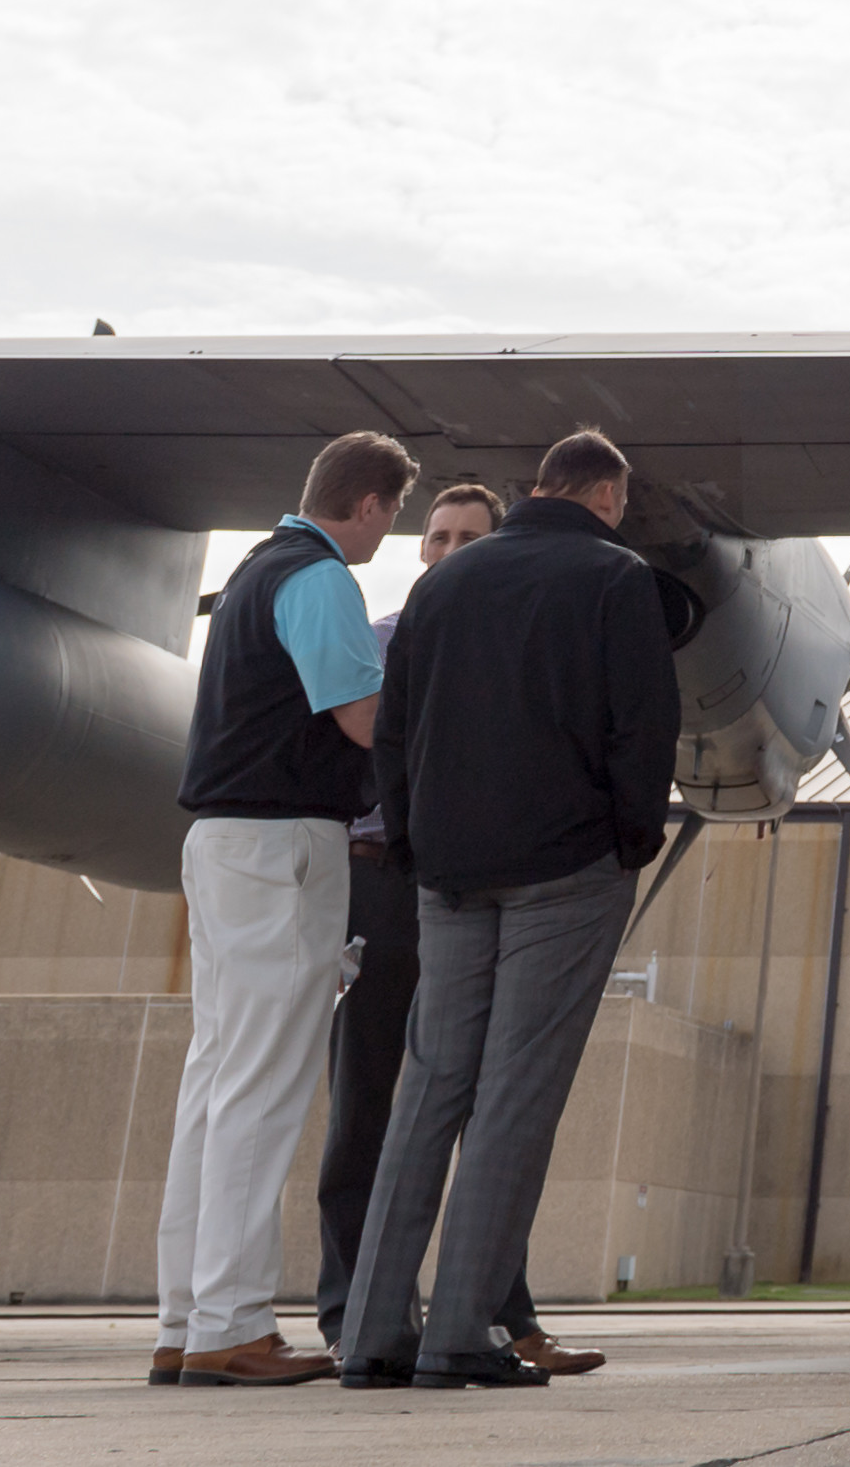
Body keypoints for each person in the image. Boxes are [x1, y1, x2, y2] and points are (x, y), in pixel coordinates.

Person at [334, 429, 677, 1391]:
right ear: (608, 493)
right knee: (515, 1097)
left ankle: (369, 1333)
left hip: (444, 874)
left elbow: (393, 731)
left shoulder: (442, 586)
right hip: (564, 872)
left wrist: (410, 840)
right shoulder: (617, 581)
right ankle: (458, 1333)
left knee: (429, 1088)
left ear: (536, 489)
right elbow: (643, 730)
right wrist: (629, 840)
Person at [148, 427, 411, 1389]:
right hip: (285, 840)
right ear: (373, 505)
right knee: (265, 1083)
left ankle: (185, 1318)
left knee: (215, 1083)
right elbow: (364, 716)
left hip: (220, 841)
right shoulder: (319, 577)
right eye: (392, 517)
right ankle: (233, 1324)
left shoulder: (256, 571)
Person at [315, 481, 589, 1378]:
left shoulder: (516, 646)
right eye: (437, 535)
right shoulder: (385, 639)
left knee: (494, 1101)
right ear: (420, 547)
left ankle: (501, 1310)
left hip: (472, 885)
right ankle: (352, 1308)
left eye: (470, 534)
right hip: (384, 881)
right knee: (368, 1099)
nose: (450, 547)